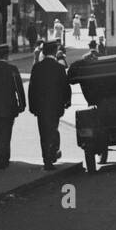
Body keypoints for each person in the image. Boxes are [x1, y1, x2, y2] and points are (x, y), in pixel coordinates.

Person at [28, 40, 71, 169]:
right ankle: (51, 155)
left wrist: (32, 107)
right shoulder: (59, 68)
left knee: (43, 133)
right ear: (54, 51)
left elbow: (31, 89)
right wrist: (67, 102)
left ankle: (46, 159)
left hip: (41, 107)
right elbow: (65, 87)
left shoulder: (37, 67)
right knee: (53, 130)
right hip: (55, 106)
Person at [0, 44, 26, 168]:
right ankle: (3, 159)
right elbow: (18, 88)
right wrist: (22, 104)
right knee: (6, 133)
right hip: (9, 108)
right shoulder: (12, 69)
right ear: (6, 55)